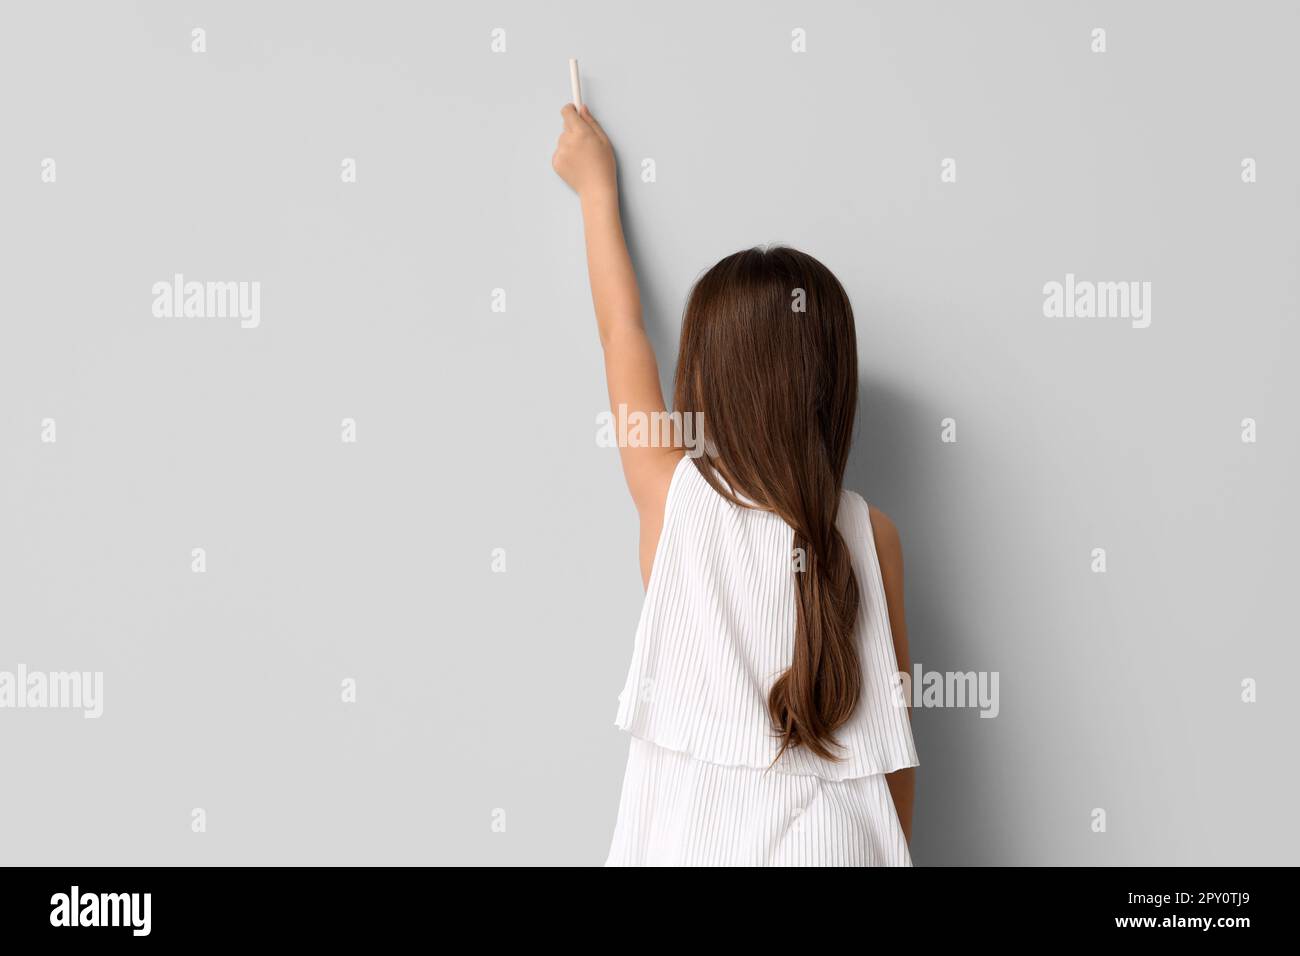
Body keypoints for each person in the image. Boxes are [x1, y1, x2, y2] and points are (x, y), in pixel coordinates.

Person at [552, 103, 918, 866]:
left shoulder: (673, 494)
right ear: (834, 380)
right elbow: (893, 753)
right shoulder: (871, 533)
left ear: (703, 376)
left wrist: (595, 190)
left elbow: (621, 332)